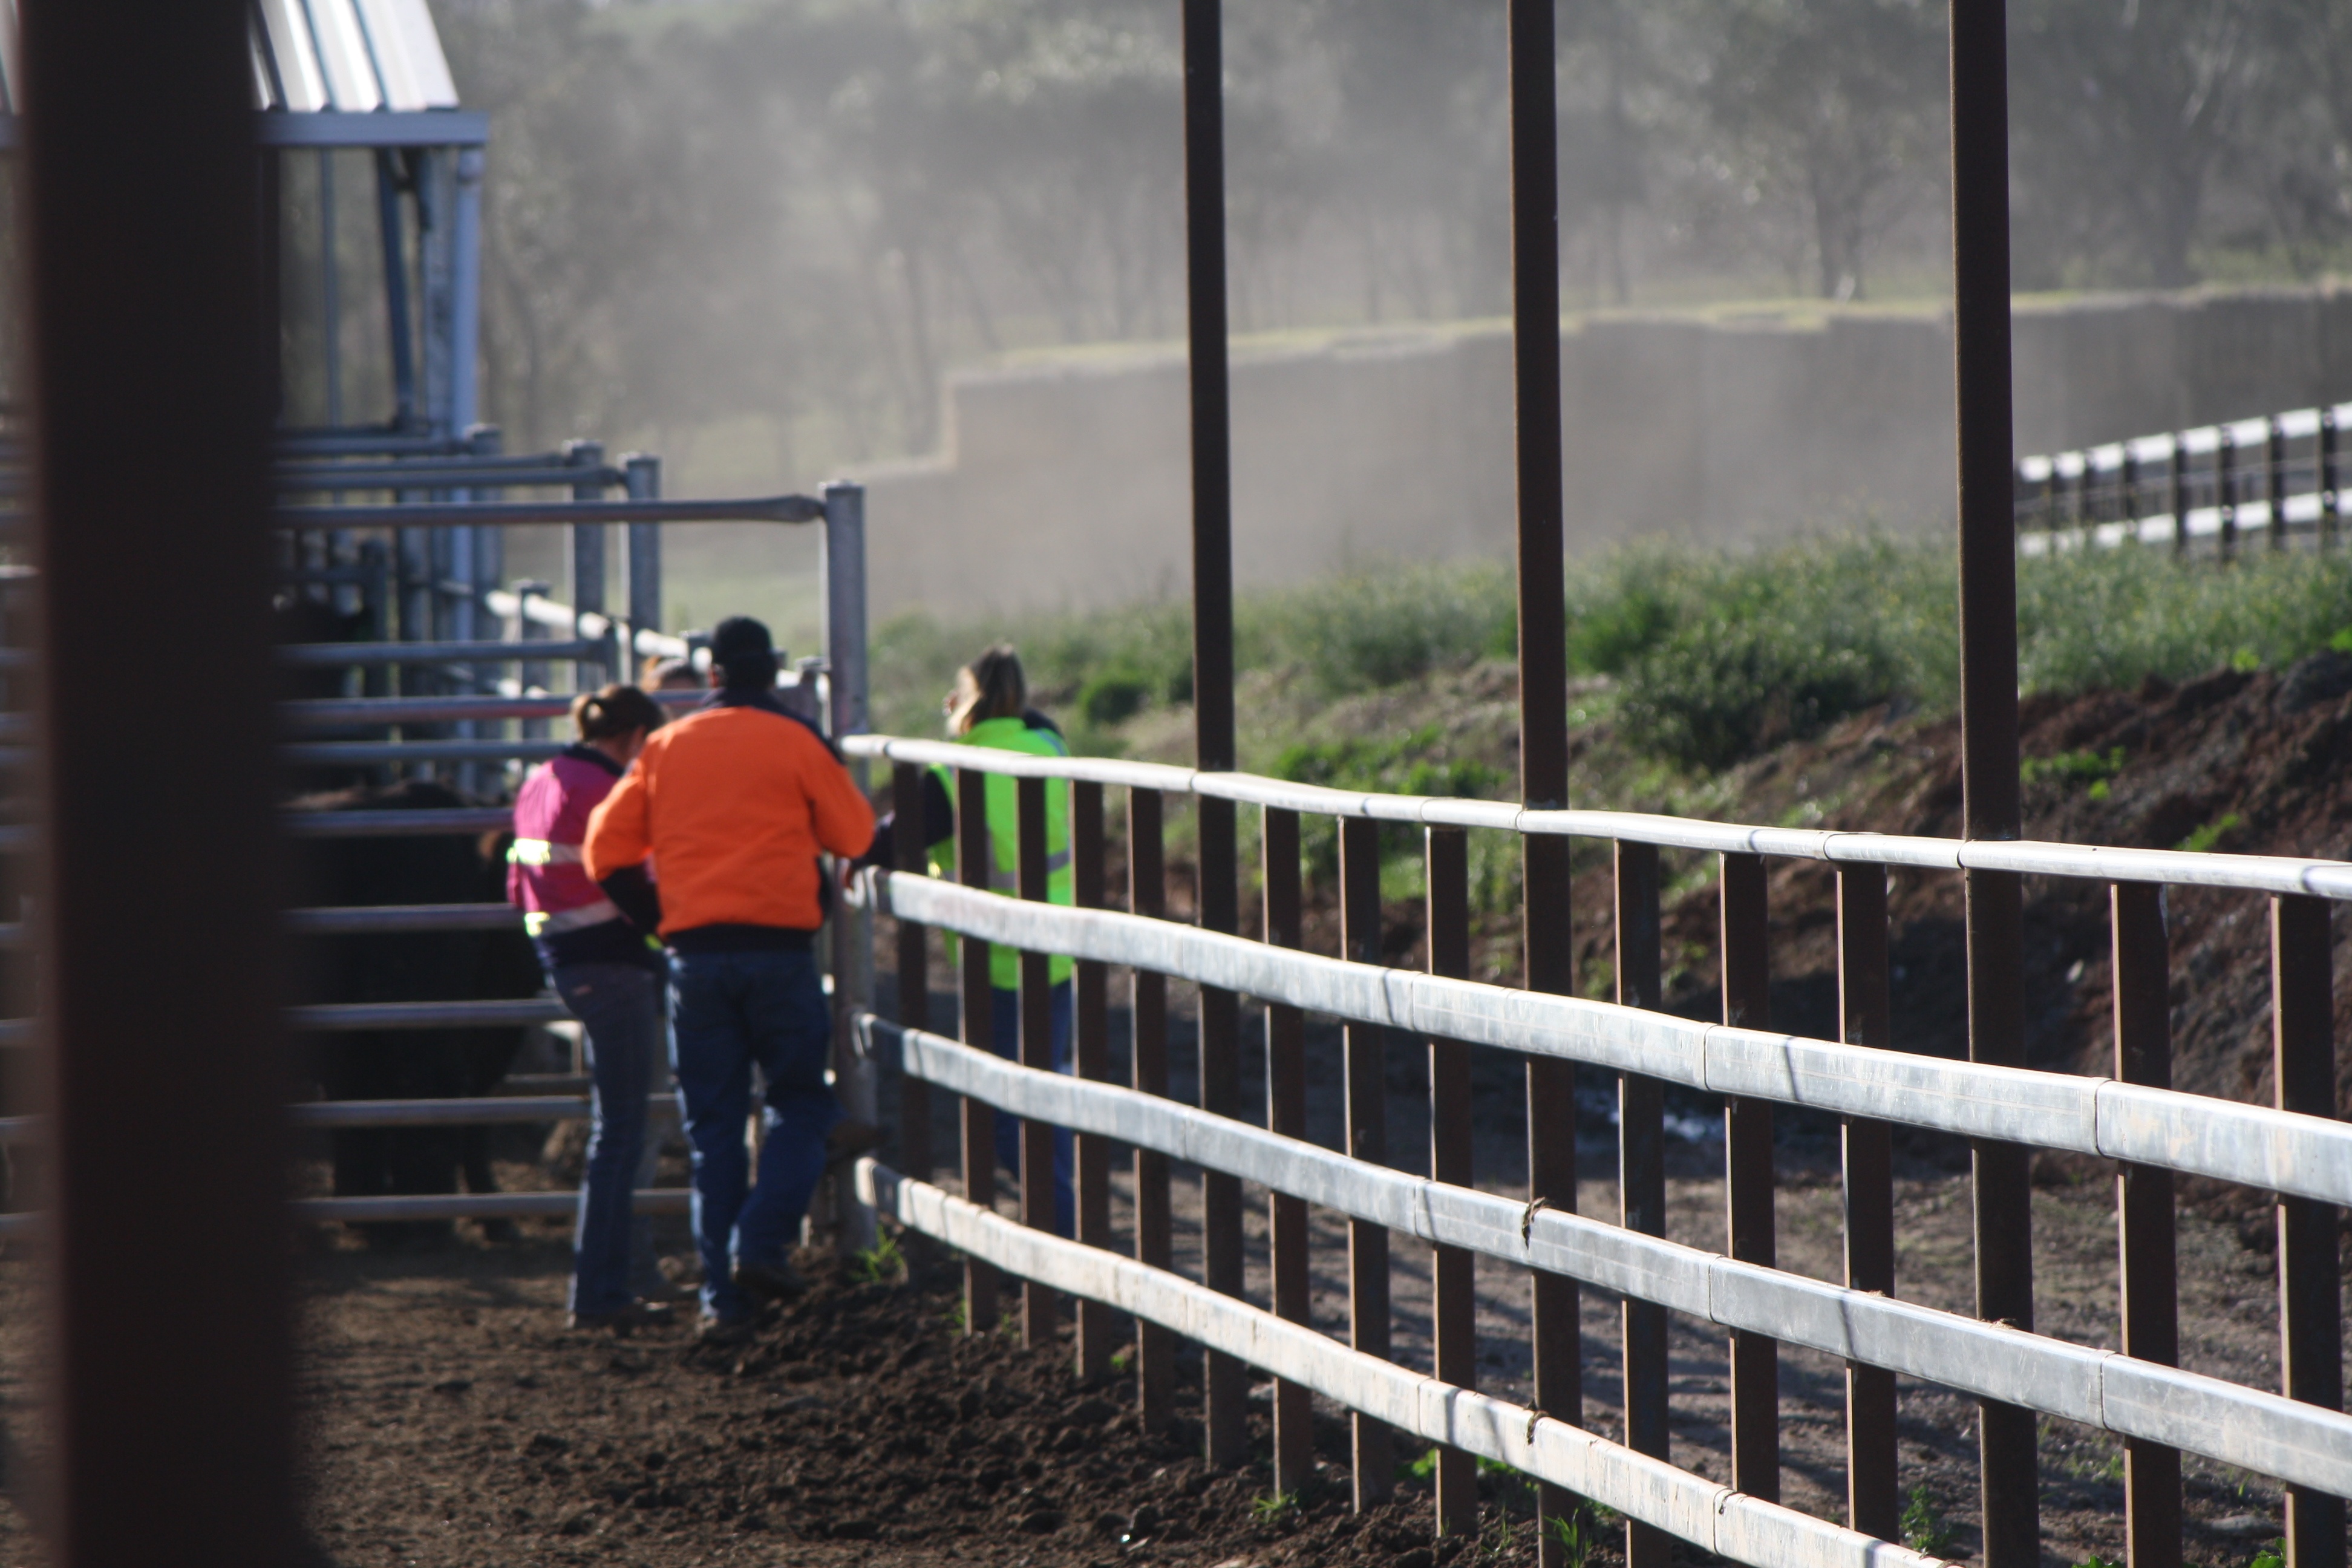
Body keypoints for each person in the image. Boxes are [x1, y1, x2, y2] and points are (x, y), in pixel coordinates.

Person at [584, 615, 876, 1341]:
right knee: (801, 1104)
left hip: (695, 959)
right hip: (780, 953)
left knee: (713, 1133)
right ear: (771, 673)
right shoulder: (795, 740)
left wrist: (663, 919)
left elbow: (603, 851)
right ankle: (762, 1242)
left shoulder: (666, 744)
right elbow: (857, 837)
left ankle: (723, 1304)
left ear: (712, 675)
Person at [866, 644, 1076, 1236]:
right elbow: (1037, 728)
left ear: (962, 702)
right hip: (1060, 946)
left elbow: (882, 844)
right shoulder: (1049, 748)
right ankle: (1064, 1218)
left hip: (997, 959)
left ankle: (1062, 1229)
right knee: (1047, 1088)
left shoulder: (951, 773)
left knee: (1004, 1112)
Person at [508, 684, 673, 1331]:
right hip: (614, 963)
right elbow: (644, 875)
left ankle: (619, 1278)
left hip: (567, 961)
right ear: (634, 737)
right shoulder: (607, 791)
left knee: (620, 1127)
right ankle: (601, 1288)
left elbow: (519, 882)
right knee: (623, 1131)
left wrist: (547, 947)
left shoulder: (541, 779)